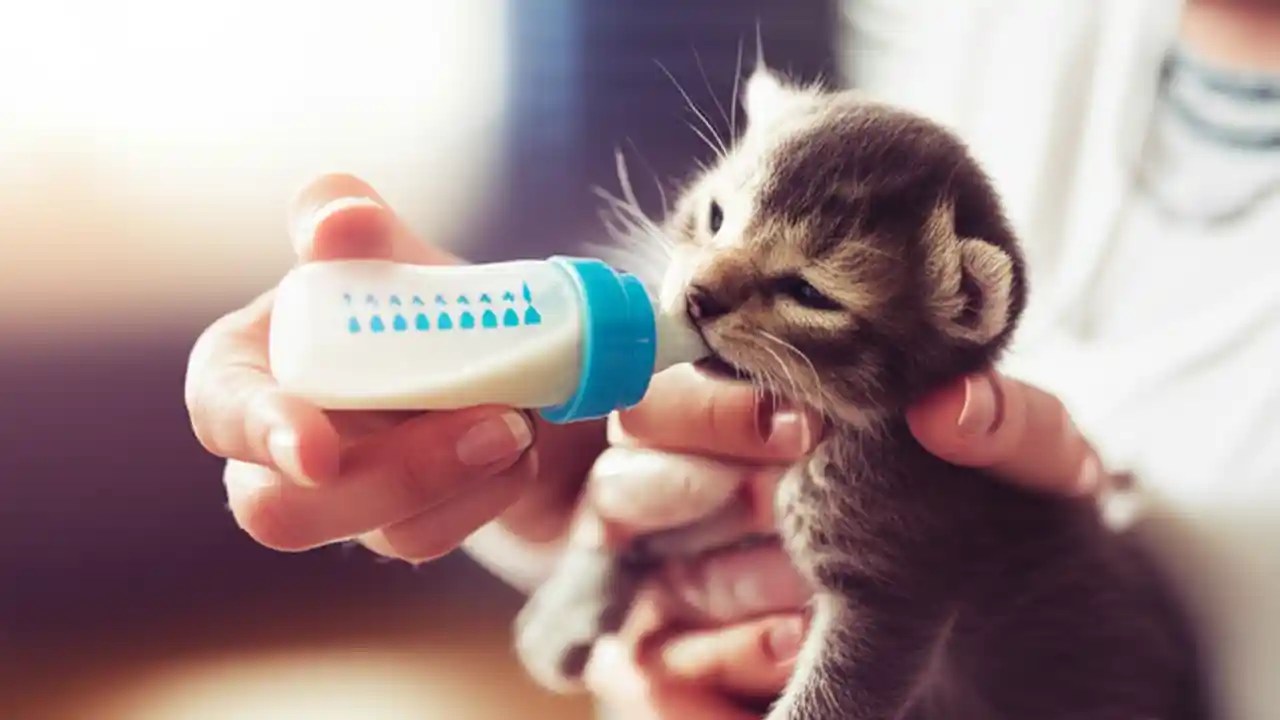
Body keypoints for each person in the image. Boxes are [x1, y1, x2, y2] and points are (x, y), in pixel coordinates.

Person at [184, 0, 1279, 718]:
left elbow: (875, 624)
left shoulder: (882, 471)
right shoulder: (984, 23)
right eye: (706, 216)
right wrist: (544, 455)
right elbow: (736, 251)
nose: (700, 287)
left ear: (967, 308)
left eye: (805, 293)